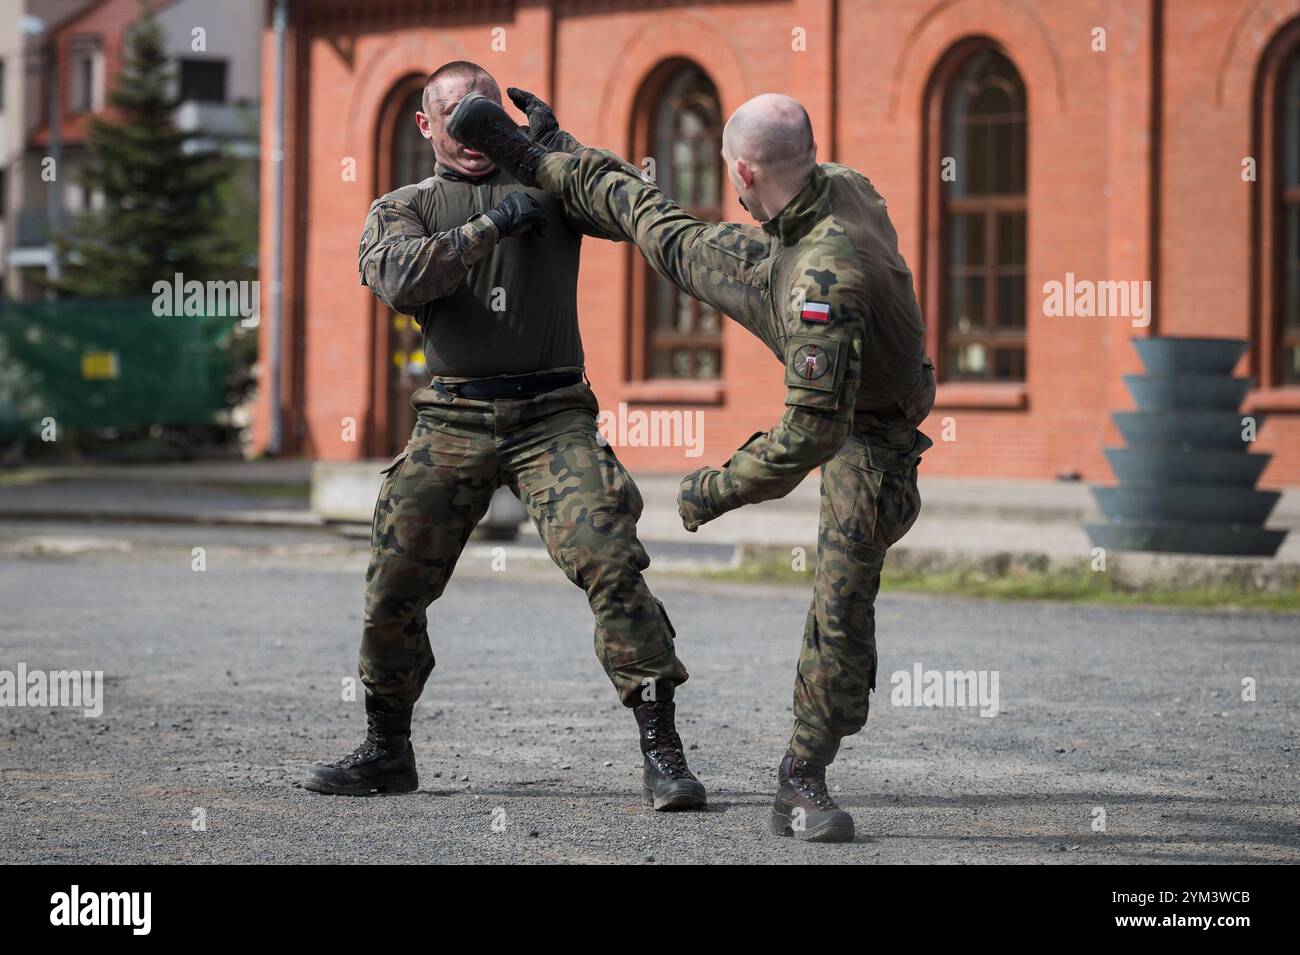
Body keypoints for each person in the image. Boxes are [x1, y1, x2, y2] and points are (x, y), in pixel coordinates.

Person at [450, 89, 935, 842]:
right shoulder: (843, 183)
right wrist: (565, 159)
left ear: (742, 170)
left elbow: (808, 437)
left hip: (868, 428)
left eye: (728, 172)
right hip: (784, 264)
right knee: (661, 226)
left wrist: (712, 489)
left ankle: (801, 780)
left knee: (842, 603)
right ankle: (544, 156)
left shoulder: (823, 285)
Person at [304, 62, 707, 813]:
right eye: (456, 117)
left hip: (552, 413)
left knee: (610, 561)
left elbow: (635, 205)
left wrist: (558, 153)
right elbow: (397, 278)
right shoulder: (408, 204)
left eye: (485, 115)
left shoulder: (553, 186)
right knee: (393, 583)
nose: (472, 132)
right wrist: (489, 226)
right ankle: (387, 748)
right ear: (426, 126)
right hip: (454, 415)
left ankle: (663, 751)